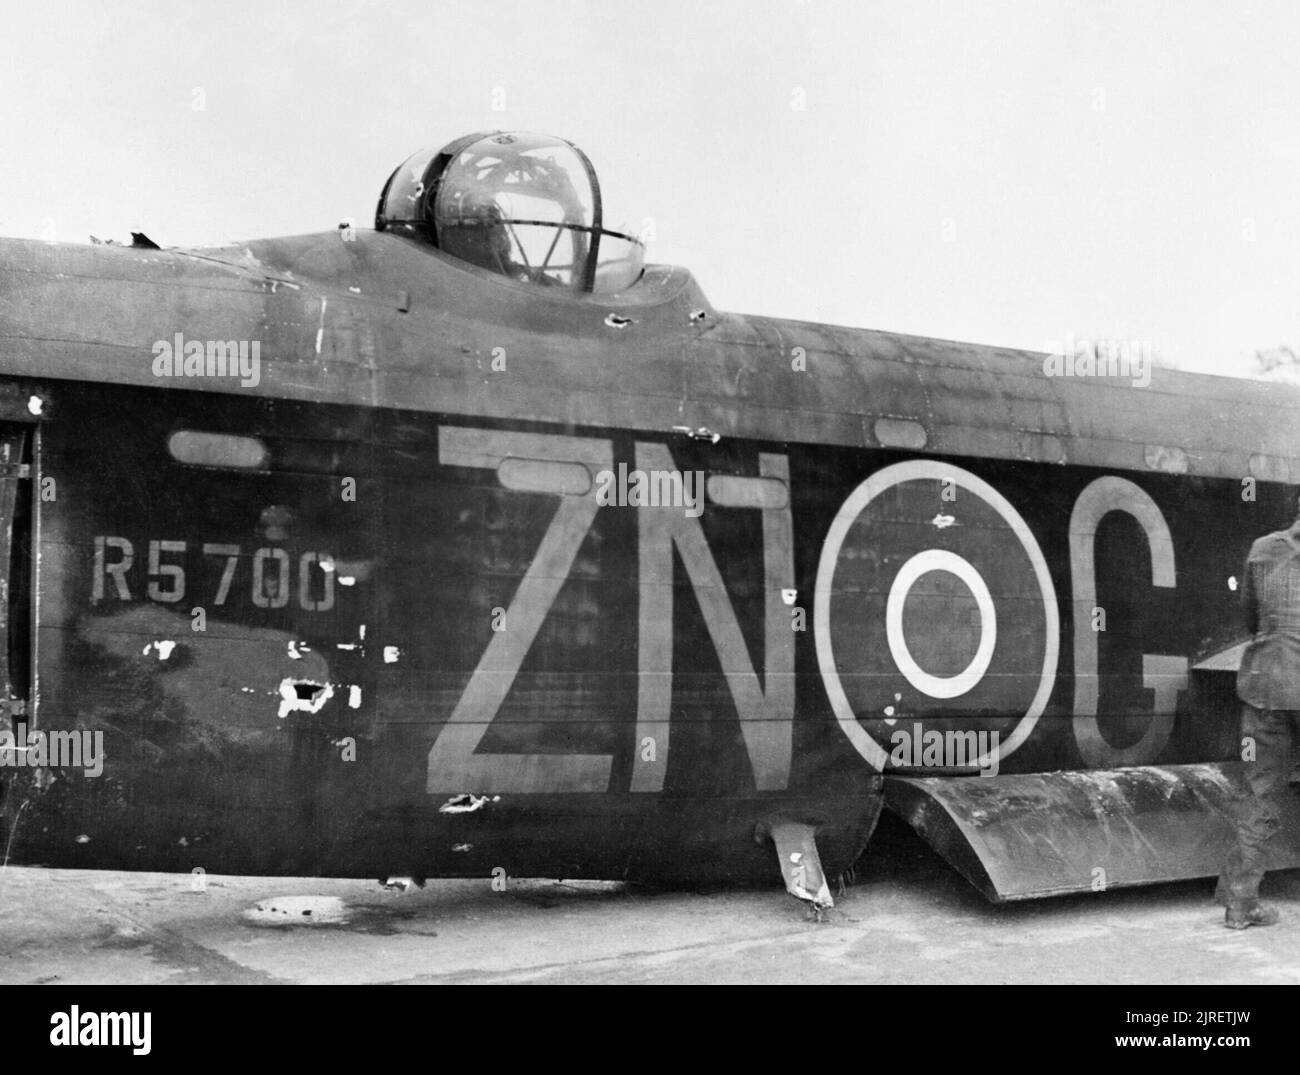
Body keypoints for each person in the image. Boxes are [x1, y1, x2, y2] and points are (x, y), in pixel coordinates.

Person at [1218, 497, 1300, 928]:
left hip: (1264, 688)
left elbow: (1250, 617)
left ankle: (1240, 903)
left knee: (1259, 794)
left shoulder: (1263, 549)